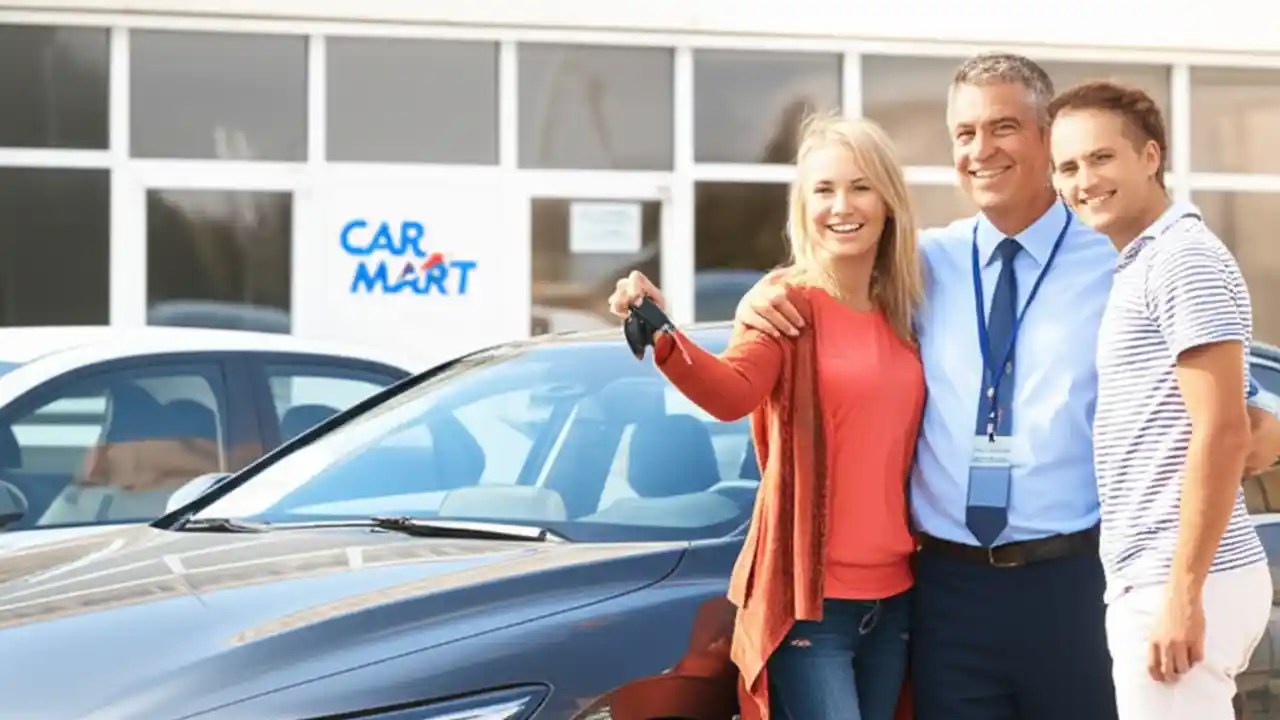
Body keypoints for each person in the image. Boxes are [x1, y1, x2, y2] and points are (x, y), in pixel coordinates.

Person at [732, 52, 1280, 720]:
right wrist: (759, 296)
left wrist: (1265, 416)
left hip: (1074, 583)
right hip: (948, 594)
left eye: (1002, 128)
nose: (980, 150)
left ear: (1048, 138)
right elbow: (825, 272)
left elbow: (1229, 398)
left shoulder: (1118, 254)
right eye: (964, 134)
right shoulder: (920, 264)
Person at [607, 113, 923, 720]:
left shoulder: (906, 311)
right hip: (811, 605)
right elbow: (729, 392)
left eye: (860, 186)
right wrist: (663, 332)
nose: (842, 205)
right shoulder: (785, 305)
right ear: (802, 207)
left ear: (888, 201)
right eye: (823, 190)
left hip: (898, 601)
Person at [1047, 79, 1273, 720]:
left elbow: (1224, 430)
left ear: (1150, 156)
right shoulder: (1144, 261)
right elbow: (1251, 415)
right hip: (1159, 576)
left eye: (1100, 157)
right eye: (1067, 167)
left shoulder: (1182, 259)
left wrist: (1182, 591)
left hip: (1179, 579)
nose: (1083, 179)